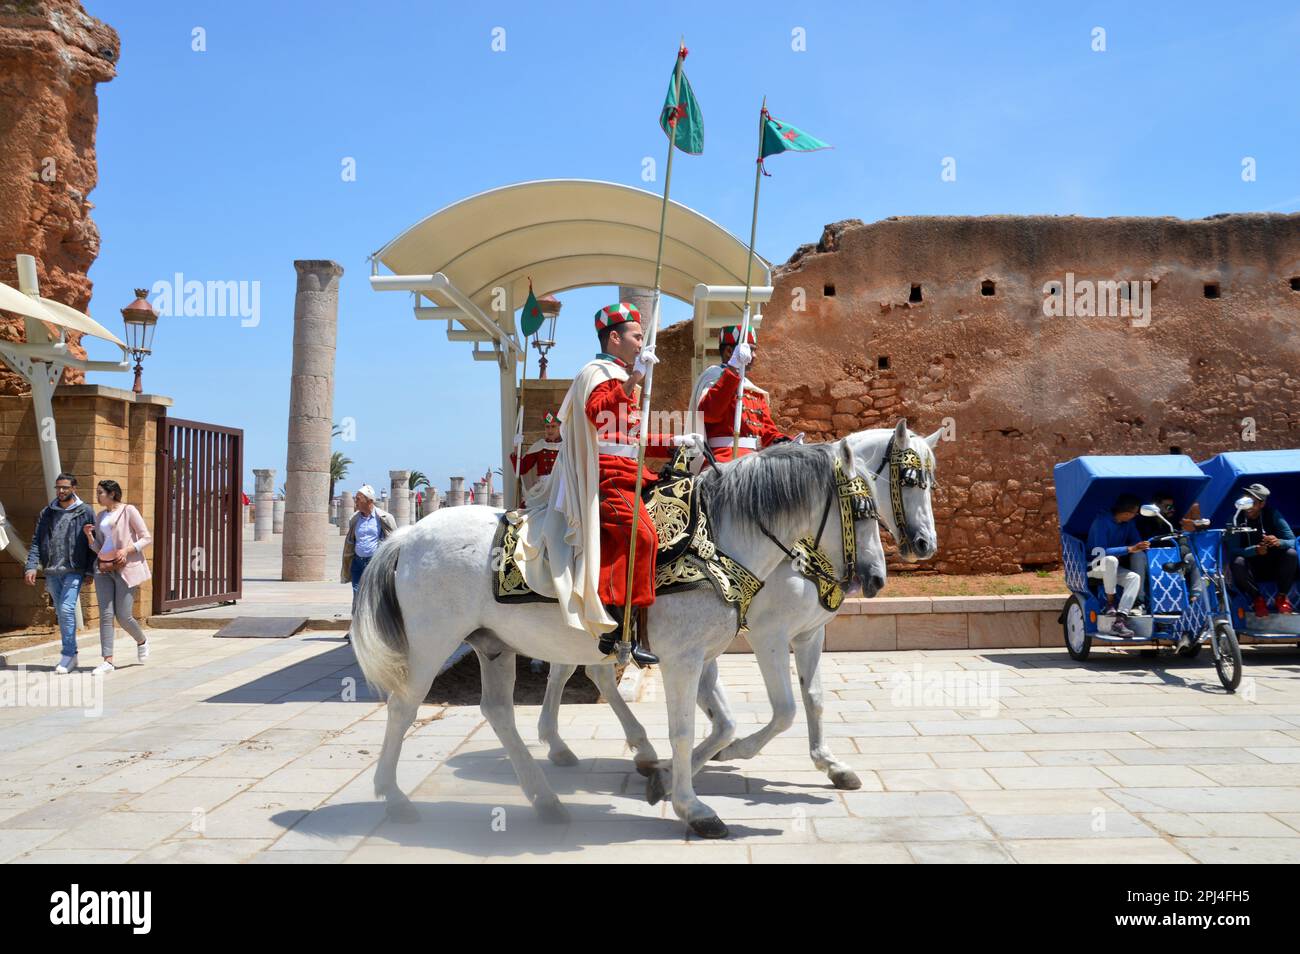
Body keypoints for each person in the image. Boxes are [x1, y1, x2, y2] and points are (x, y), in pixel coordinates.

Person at [24, 472, 96, 673]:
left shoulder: (85, 511)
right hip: (52, 570)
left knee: (65, 610)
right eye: (58, 487)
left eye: (65, 487)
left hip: (74, 569)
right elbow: (37, 541)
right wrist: (31, 566)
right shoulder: (47, 512)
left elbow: (94, 541)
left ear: (74, 489)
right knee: (62, 611)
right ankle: (72, 656)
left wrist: (90, 570)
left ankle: (67, 654)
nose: (61, 491)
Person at [693, 325, 792, 462]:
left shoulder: (753, 390)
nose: (754, 355)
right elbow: (709, 414)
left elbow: (768, 432)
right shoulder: (714, 377)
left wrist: (788, 444)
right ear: (729, 351)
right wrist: (733, 368)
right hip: (724, 460)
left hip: (756, 459)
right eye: (750, 349)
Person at [83, 479, 152, 673]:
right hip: (103, 568)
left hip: (126, 567)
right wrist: (89, 537)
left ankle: (142, 640)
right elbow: (99, 547)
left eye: (100, 493)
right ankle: (108, 660)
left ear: (112, 494)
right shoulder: (100, 516)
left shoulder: (128, 510)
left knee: (123, 616)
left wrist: (128, 550)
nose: (97, 496)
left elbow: (146, 537)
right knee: (105, 615)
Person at [1227, 483, 1296, 617]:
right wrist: (1255, 550)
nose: (1249, 505)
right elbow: (1233, 549)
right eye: (1247, 500)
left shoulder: (1273, 514)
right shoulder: (1236, 518)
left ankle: (1282, 597)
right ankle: (1257, 599)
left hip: (1274, 567)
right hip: (1251, 569)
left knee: (1291, 554)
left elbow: (1292, 541)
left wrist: (1278, 542)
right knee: (1237, 562)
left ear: (1262, 504)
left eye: (1253, 502)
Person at [1086, 494, 1150, 639]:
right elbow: (1099, 553)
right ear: (1127, 513)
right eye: (1135, 513)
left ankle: (1120, 618)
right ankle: (1110, 604)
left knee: (1133, 578)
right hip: (1095, 566)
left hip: (1112, 568)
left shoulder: (1129, 524)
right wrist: (1129, 549)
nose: (1135, 516)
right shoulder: (1101, 522)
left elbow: (1136, 542)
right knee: (1111, 560)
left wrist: (1142, 546)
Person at [341, 485, 396, 640]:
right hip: (357, 563)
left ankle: (379, 630)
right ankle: (356, 629)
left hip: (375, 563)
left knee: (376, 596)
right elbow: (351, 540)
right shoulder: (354, 518)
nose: (355, 501)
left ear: (369, 501)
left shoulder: (384, 518)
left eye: (358, 498)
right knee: (357, 594)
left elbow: (393, 539)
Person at [511, 410, 563, 496]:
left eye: (553, 426)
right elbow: (521, 469)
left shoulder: (566, 446)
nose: (550, 430)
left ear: (560, 427)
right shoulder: (539, 446)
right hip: (543, 489)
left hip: (561, 488)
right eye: (547, 427)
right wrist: (516, 447)